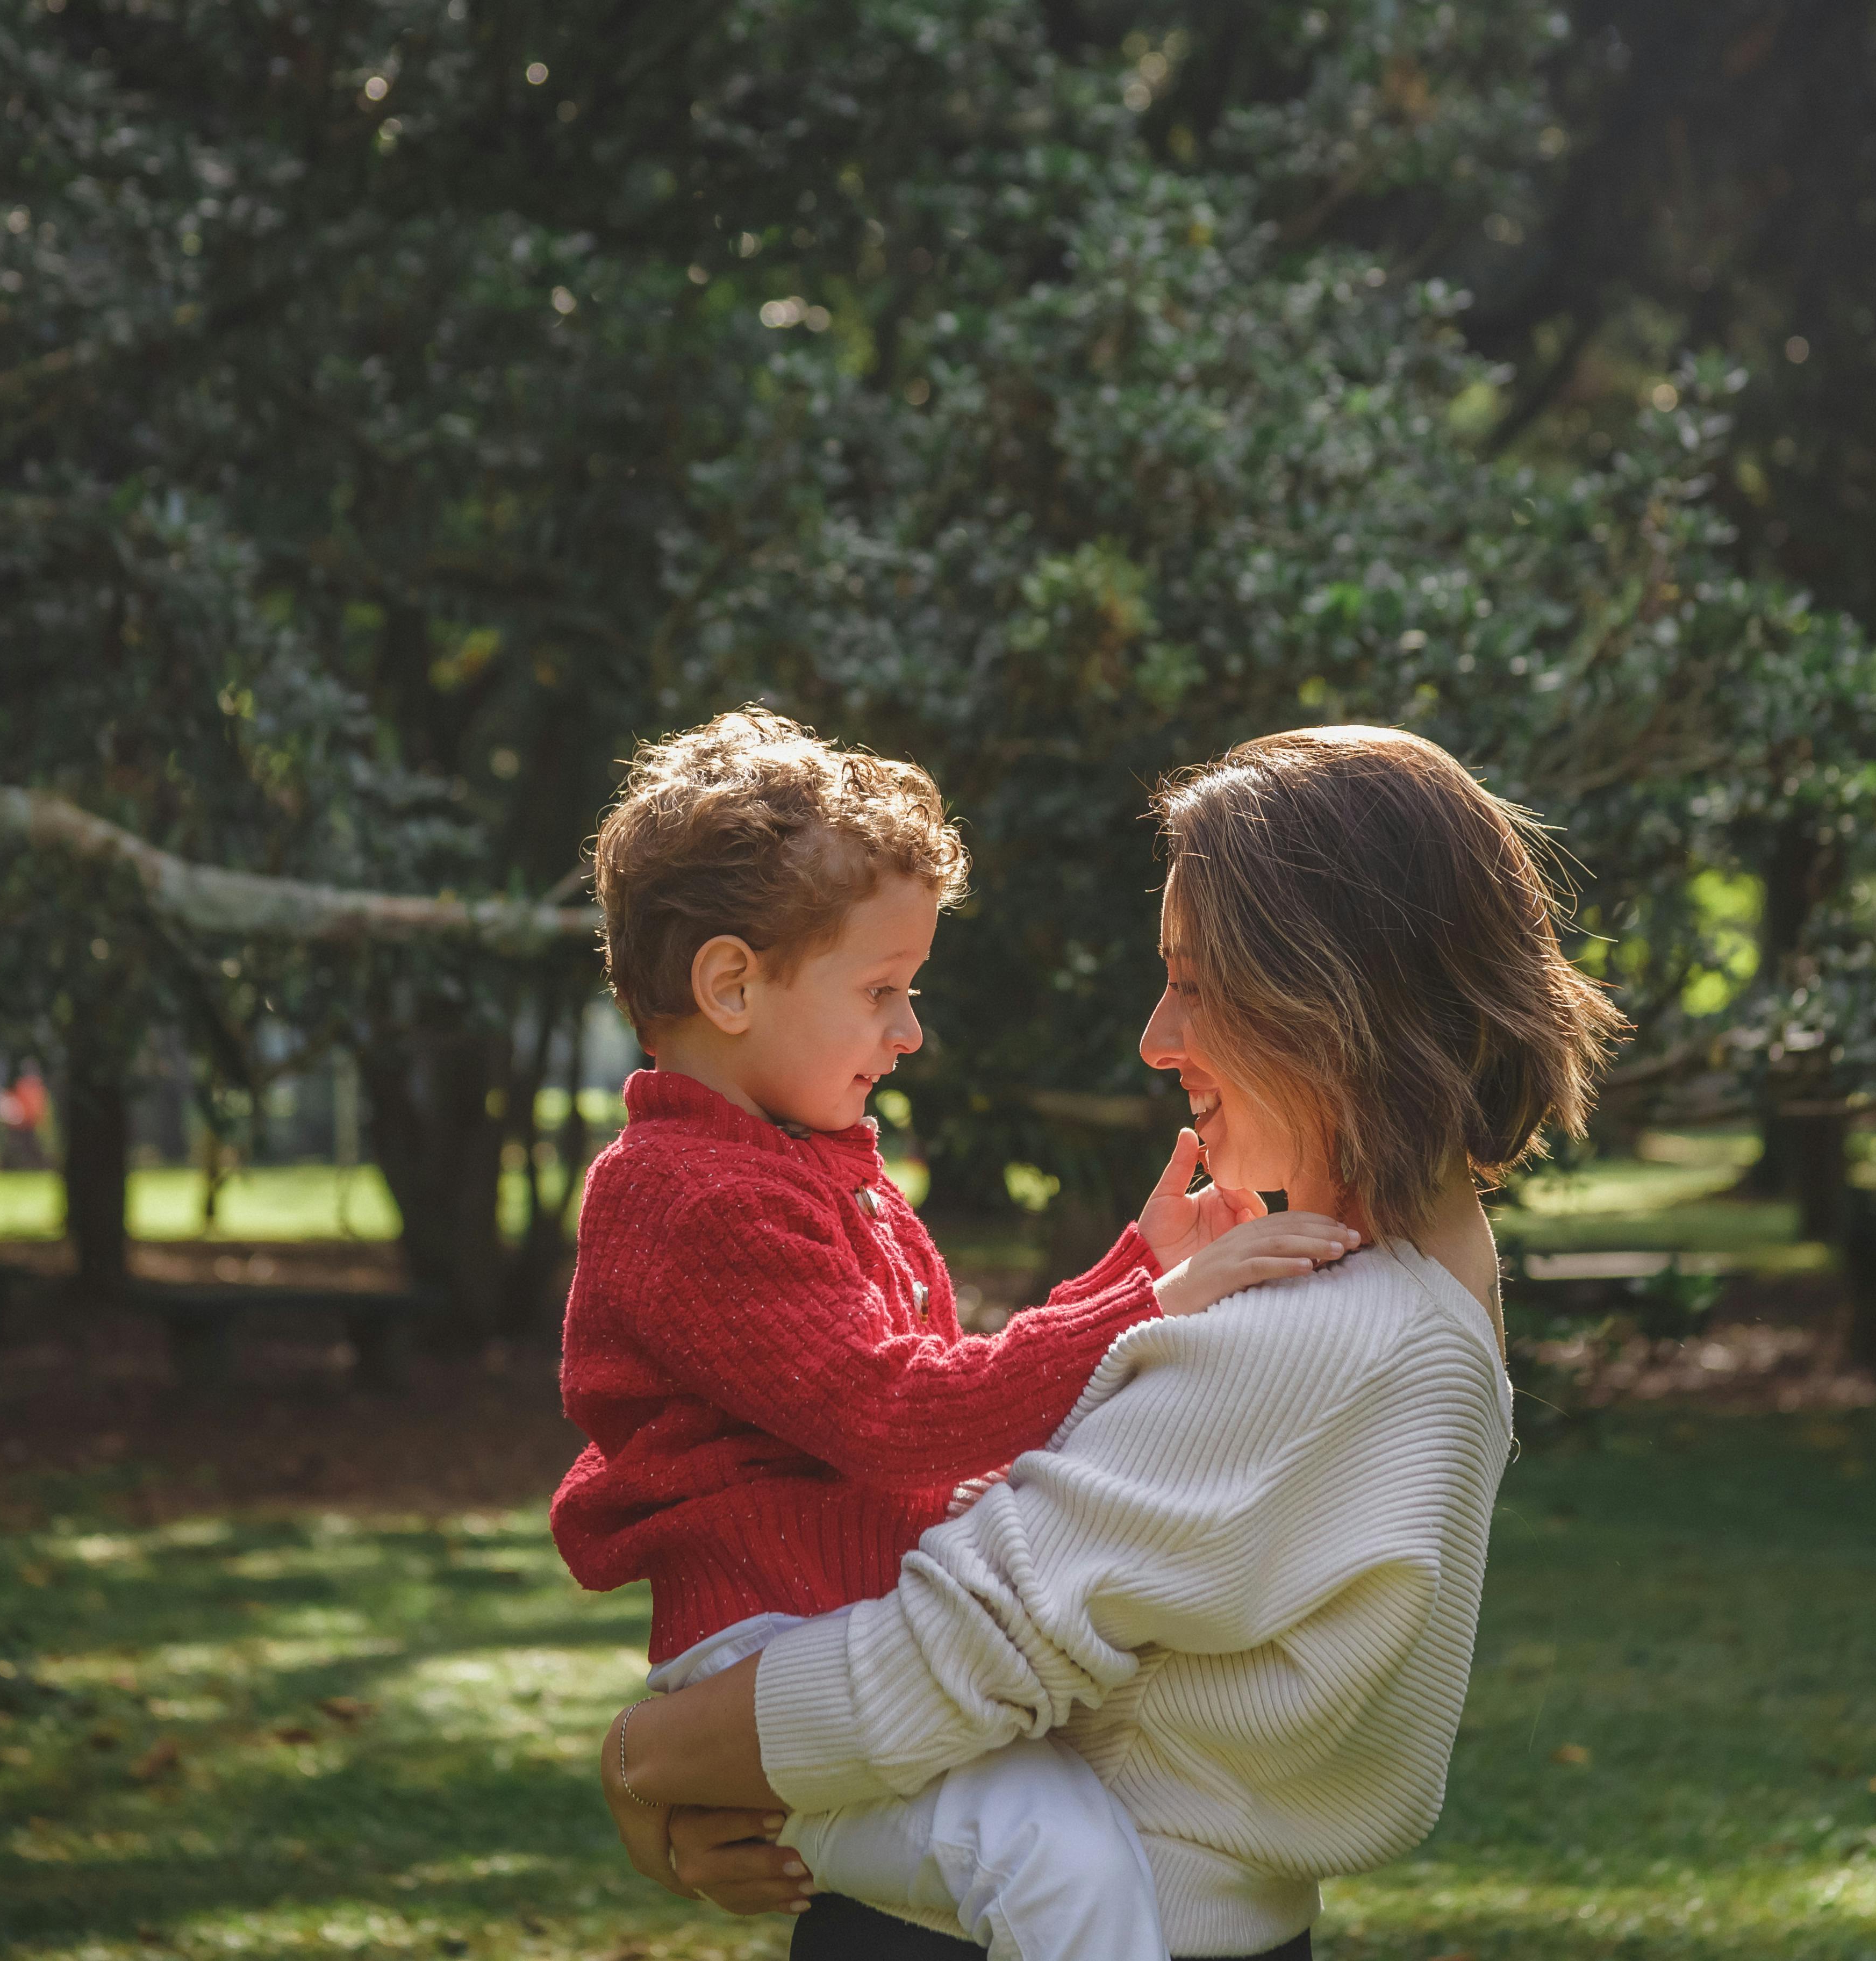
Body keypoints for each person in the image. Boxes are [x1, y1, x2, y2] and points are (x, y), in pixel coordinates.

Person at [598, 724, 1627, 1959]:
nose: (1155, 1037)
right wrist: (1143, 1283)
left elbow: (943, 1658)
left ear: (1327, 997)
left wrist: (645, 1761)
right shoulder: (1438, 1294)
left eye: (1195, 981)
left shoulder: (1321, 1344)